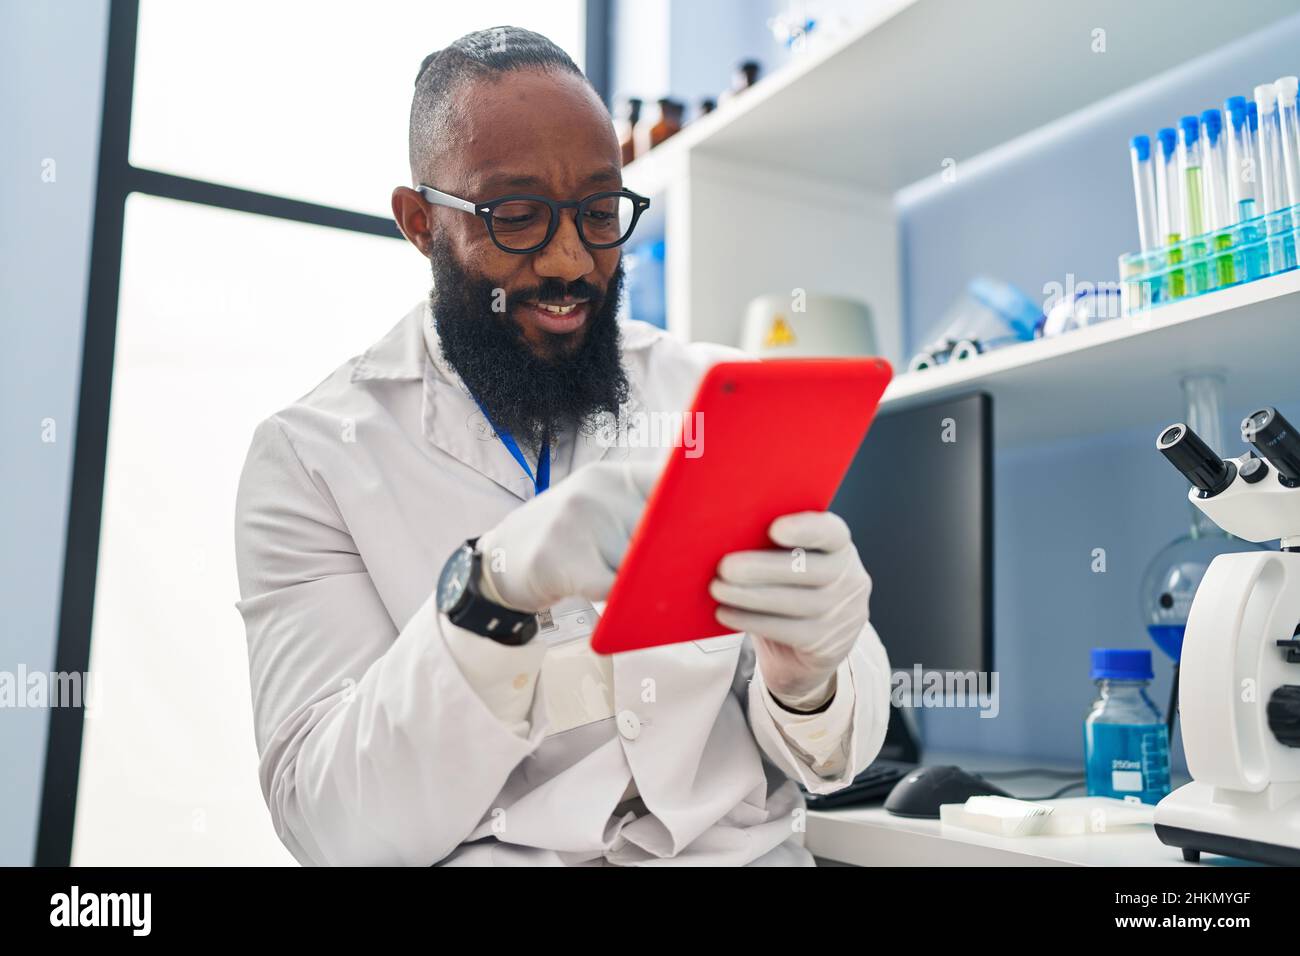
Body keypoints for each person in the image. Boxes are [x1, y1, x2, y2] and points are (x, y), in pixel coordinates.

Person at [234, 26, 890, 866]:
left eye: (598, 210)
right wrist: (494, 591)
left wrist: (812, 680)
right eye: (516, 216)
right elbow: (330, 827)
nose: (571, 258)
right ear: (420, 222)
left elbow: (835, 755)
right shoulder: (311, 460)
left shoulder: (713, 397)